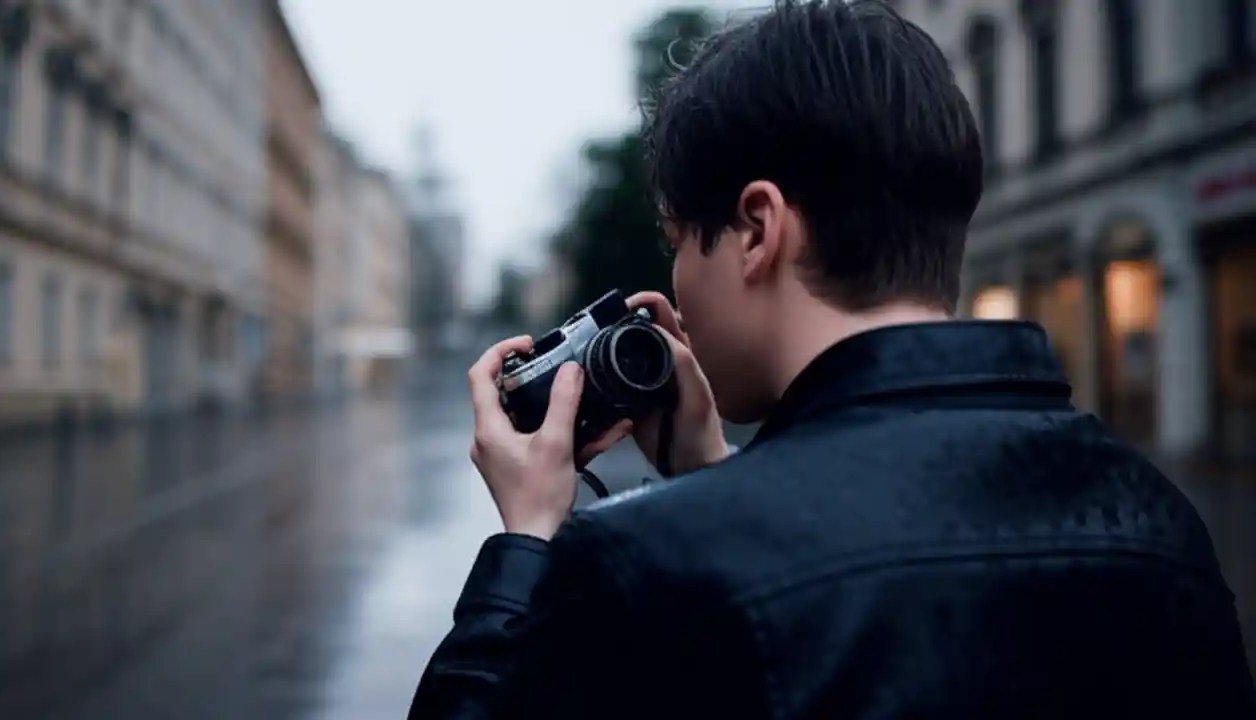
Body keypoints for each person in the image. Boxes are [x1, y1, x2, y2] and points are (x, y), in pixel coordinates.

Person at [409, 1, 1256, 717]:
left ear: (756, 230)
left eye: (677, 243)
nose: (676, 281)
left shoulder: (643, 564)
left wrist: (527, 541)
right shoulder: (1160, 521)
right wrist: (715, 474)